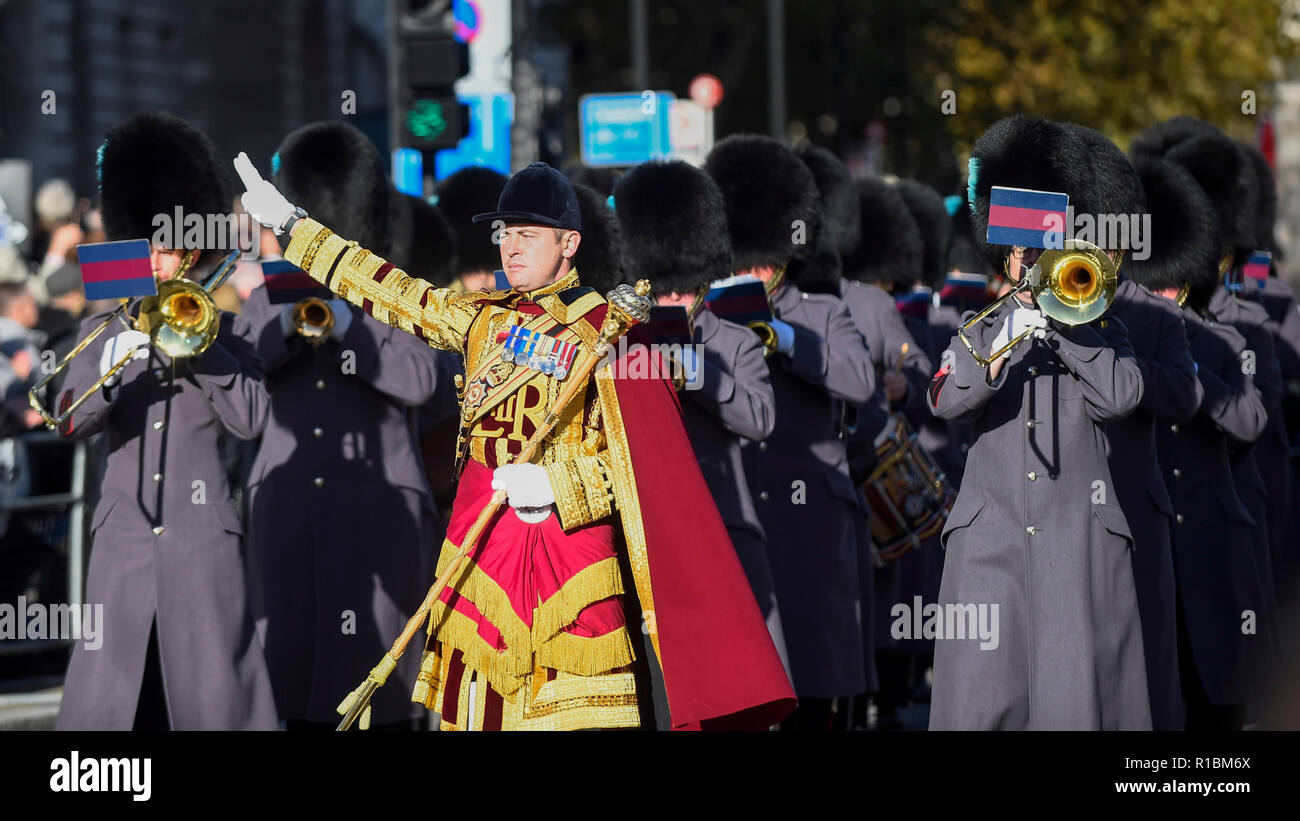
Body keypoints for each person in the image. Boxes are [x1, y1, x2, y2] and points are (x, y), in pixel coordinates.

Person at [236, 156, 794, 730]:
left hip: (571, 559)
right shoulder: (482, 319)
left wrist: (558, 482)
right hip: (482, 548)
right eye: (505, 234)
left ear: (569, 243)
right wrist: (293, 225)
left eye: (528, 234)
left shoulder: (615, 336)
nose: (511, 247)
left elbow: (637, 476)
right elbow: (390, 289)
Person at [55, 112, 276, 731]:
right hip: (123, 548)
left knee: (207, 704)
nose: (157, 262)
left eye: (169, 248)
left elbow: (252, 418)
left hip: (202, 550)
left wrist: (199, 342)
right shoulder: (102, 328)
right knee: (119, 710)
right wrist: (112, 350)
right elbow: (69, 419)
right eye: (149, 248)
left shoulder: (231, 331)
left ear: (193, 251)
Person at [927, 115, 1149, 730]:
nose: (1032, 262)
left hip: (1074, 547)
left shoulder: (1100, 326)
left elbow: (1123, 394)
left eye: (1042, 252)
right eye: (1023, 254)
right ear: (1008, 256)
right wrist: (1008, 330)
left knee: (1072, 704)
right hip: (989, 544)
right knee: (978, 703)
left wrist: (1066, 327)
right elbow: (943, 398)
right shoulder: (981, 326)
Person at [240, 121, 443, 730]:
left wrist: (349, 326)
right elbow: (244, 395)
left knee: (380, 690)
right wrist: (289, 329)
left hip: (376, 517)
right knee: (292, 684)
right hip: (290, 513)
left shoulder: (392, 298)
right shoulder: (264, 302)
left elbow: (420, 380)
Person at [705, 135, 874, 730]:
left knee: (814, 676)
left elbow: (859, 380)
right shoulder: (706, 317)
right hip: (746, 508)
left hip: (810, 516)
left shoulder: (822, 312)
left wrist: (789, 339)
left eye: (762, 262)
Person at [612, 158, 790, 679]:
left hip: (722, 526)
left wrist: (696, 373)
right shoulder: (622, 344)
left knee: (731, 678)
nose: (674, 299)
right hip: (646, 530)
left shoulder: (734, 342)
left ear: (703, 282)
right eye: (665, 290)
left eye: (684, 289)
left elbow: (760, 419)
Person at [1062, 124, 1202, 732]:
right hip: (1065, 508)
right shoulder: (1046, 308)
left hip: (1133, 508)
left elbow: (1187, 395)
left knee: (1145, 665)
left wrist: (1121, 369)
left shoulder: (1155, 316)